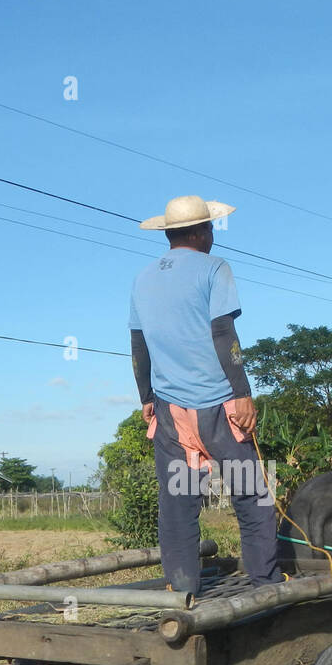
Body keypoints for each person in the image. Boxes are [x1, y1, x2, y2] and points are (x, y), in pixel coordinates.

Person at [128, 195, 282, 595]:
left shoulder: (142, 278)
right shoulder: (215, 268)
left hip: (170, 415)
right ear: (199, 233)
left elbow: (138, 344)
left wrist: (146, 395)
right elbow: (223, 333)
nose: (213, 234)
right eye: (210, 228)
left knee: (179, 507)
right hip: (218, 409)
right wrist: (243, 392)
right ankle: (265, 586)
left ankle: (183, 595)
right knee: (251, 497)